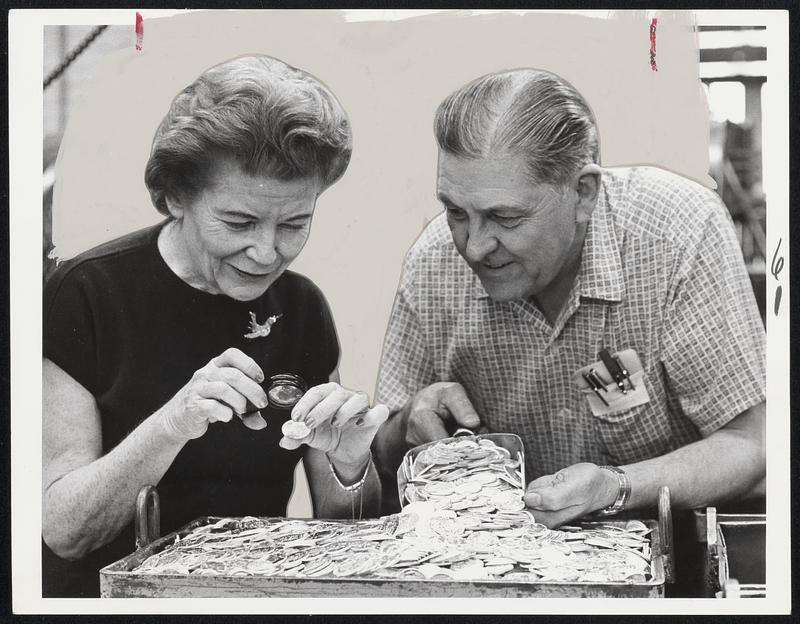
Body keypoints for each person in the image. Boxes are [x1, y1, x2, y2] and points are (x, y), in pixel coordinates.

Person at [42, 55, 387, 597]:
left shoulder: (302, 309)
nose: (267, 251)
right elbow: (65, 532)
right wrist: (174, 423)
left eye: (295, 223)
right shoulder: (86, 293)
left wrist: (350, 462)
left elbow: (346, 532)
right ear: (175, 196)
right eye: (238, 222)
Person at [373, 68, 765, 527]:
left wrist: (617, 486)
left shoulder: (675, 233)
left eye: (505, 217)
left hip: (667, 566)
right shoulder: (433, 262)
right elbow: (380, 450)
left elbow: (753, 444)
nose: (474, 246)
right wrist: (406, 425)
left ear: (583, 193)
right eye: (457, 212)